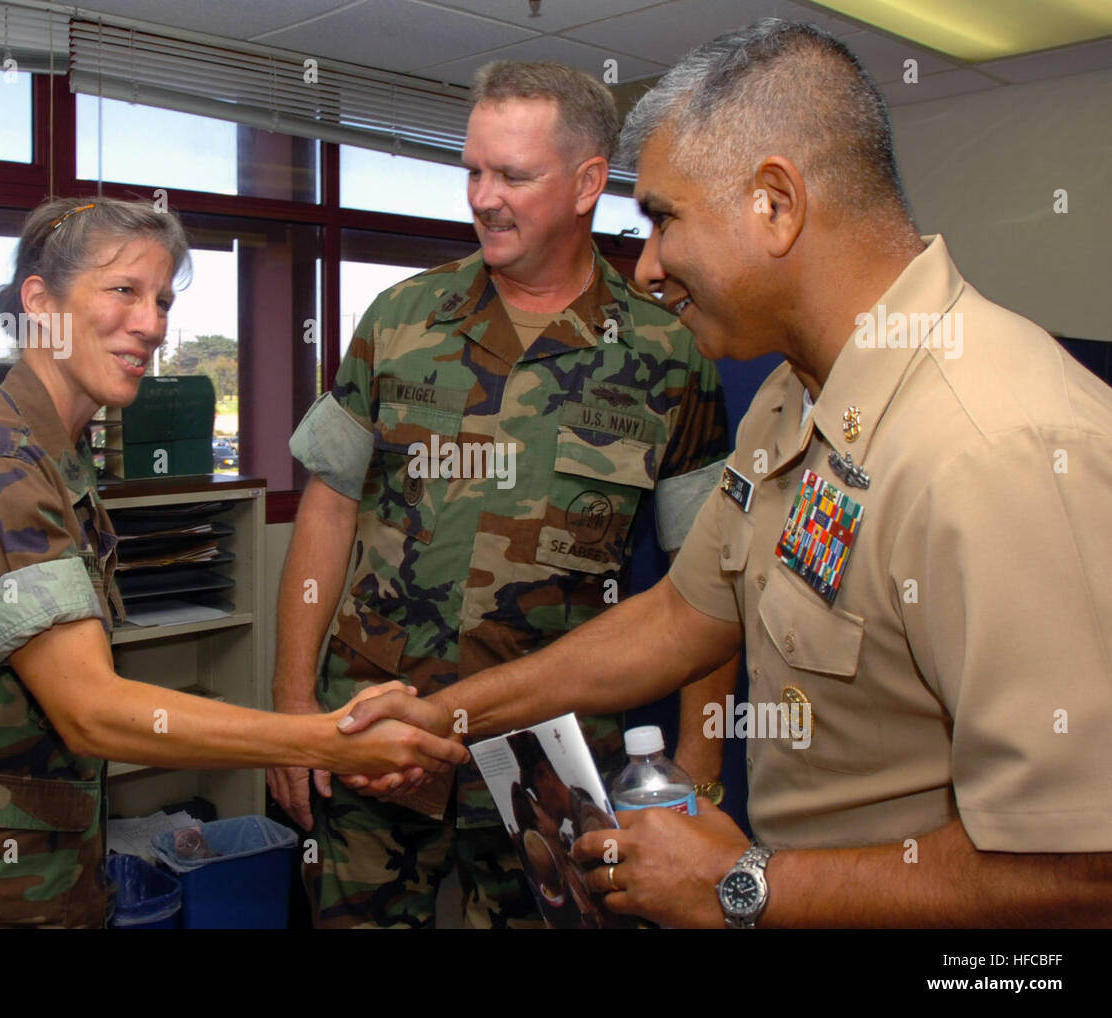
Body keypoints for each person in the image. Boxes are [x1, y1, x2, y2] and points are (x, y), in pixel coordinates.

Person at [343, 20, 1112, 928]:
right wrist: (449, 718)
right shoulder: (794, 399)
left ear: (775, 205)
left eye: (665, 220)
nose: (649, 265)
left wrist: (740, 887)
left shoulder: (998, 444)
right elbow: (681, 617)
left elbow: (1080, 867)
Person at [0, 197, 467, 930]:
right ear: (40, 301)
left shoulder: (55, 454)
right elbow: (91, 709)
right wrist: (321, 739)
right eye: (123, 290)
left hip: (26, 875)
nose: (153, 324)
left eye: (161, 300)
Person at [271, 60, 735, 928]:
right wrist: (293, 711)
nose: (483, 197)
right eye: (473, 171)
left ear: (588, 183)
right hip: (375, 736)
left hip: (547, 760)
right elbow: (329, 507)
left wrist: (697, 784)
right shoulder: (400, 321)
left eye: (513, 175)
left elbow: (708, 586)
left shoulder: (668, 357)